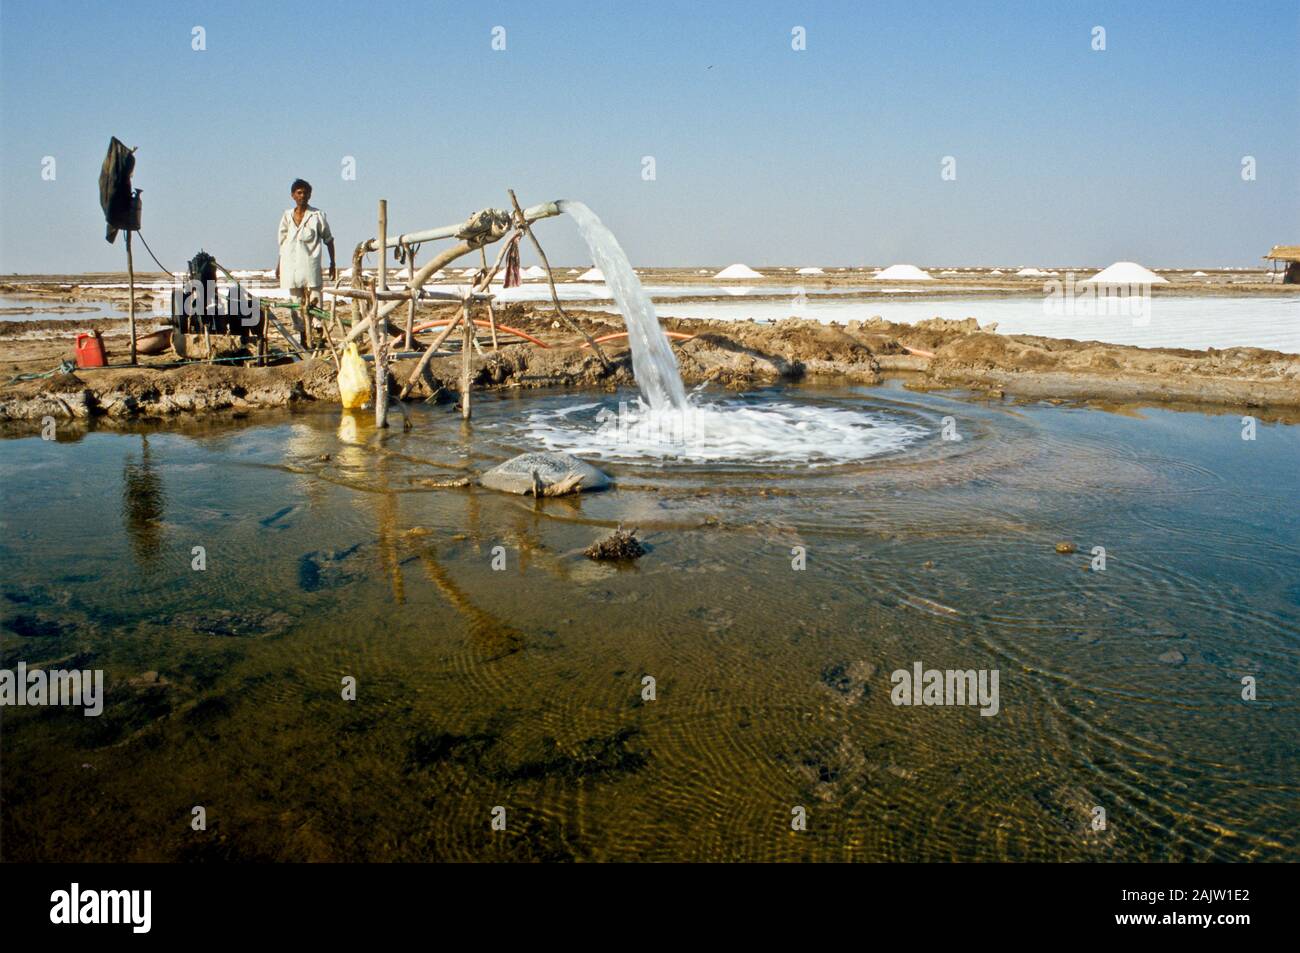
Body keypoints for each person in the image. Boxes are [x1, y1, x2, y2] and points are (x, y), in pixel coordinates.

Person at [276, 178, 336, 347]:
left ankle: (319, 338)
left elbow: (329, 240)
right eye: (299, 193)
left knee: (315, 302)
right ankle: (303, 340)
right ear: (293, 195)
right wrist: (279, 264)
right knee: (296, 304)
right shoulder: (287, 216)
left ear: (310, 195)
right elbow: (283, 243)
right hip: (290, 267)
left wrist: (333, 263)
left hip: (310, 266)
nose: (302, 196)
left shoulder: (317, 216)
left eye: (305, 193)